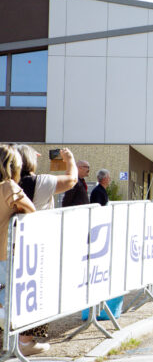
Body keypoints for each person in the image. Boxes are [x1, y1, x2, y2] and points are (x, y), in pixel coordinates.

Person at [0, 144, 48, 356]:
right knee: (8, 302)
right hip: (4, 253)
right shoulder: (8, 187)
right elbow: (30, 209)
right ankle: (21, 344)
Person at [16, 145, 78, 210]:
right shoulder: (40, 182)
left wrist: (28, 155)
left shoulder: (7, 182)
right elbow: (72, 179)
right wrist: (70, 159)